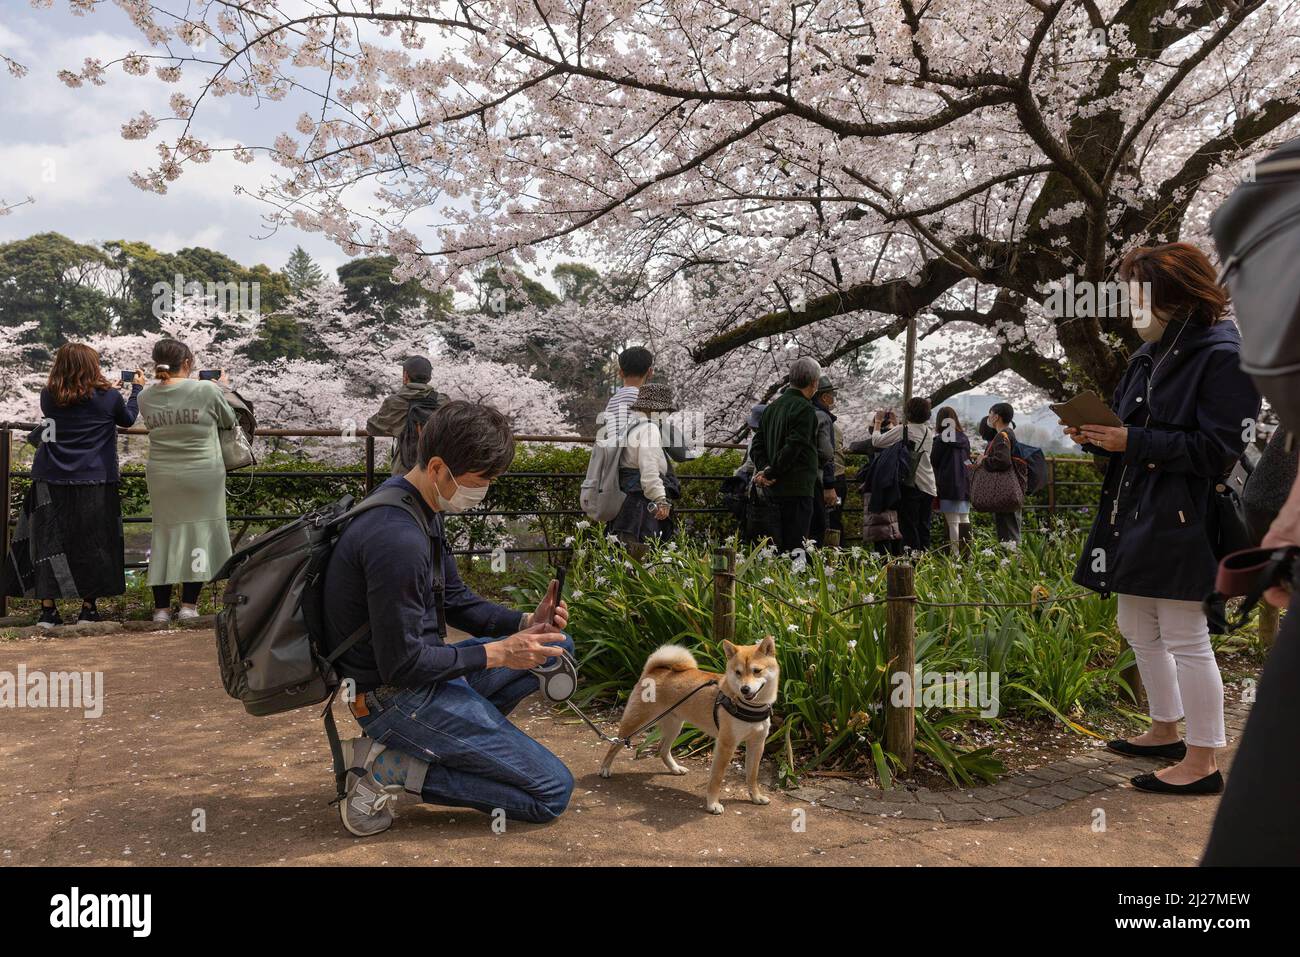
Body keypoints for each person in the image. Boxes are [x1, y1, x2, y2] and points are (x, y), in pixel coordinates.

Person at [322, 400, 575, 836]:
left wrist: (523, 623)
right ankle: (390, 769)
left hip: (423, 675)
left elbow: (454, 599)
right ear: (438, 466)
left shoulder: (416, 505)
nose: (484, 492)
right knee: (550, 792)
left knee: (553, 648)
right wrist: (498, 654)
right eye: (480, 482)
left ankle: (448, 743)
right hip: (393, 695)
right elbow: (402, 665)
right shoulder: (395, 538)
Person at [1065, 241, 1259, 796]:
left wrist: (1133, 440)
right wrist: (1099, 439)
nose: (1129, 310)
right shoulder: (1148, 355)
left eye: (1135, 297)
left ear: (1170, 297)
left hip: (1184, 517)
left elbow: (1218, 449)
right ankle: (1165, 729)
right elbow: (1133, 437)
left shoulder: (1224, 355)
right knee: (1137, 627)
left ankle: (1203, 761)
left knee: (1184, 635)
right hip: (1136, 510)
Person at [2, 344, 143, 626]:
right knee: (93, 542)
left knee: (48, 541)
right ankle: (88, 609)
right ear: (93, 366)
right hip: (94, 478)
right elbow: (126, 419)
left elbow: (71, 411)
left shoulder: (48, 395)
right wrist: (134, 390)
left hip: (50, 477)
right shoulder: (110, 397)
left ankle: (48, 611)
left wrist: (105, 390)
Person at [138, 339, 239, 624]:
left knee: (165, 534)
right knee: (199, 534)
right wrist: (224, 387)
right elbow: (229, 419)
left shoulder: (144, 397)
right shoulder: (206, 390)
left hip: (162, 475)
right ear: (187, 363)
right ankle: (188, 606)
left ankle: (160, 610)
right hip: (203, 473)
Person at [750, 357, 822, 553]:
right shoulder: (804, 408)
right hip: (797, 487)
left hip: (773, 490)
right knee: (797, 548)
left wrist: (765, 470)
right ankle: (797, 583)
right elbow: (794, 447)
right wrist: (771, 472)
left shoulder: (772, 408)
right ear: (814, 382)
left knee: (775, 548)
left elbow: (756, 444)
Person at [609, 383, 681, 547]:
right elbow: (649, 471)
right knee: (642, 557)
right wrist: (660, 499)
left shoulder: (631, 426)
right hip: (641, 503)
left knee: (624, 555)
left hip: (625, 499)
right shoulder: (650, 429)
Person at [868, 397, 936, 551]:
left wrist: (878, 422)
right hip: (929, 486)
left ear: (908, 413)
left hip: (911, 485)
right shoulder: (928, 431)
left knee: (909, 528)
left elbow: (877, 441)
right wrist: (898, 423)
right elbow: (910, 436)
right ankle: (926, 565)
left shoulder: (902, 430)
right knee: (923, 527)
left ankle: (912, 566)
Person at [366, 355, 442, 476]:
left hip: (405, 470)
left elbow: (372, 428)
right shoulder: (442, 401)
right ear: (429, 377)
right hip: (435, 470)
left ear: (405, 376)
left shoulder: (395, 402)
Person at [810, 376, 846, 547]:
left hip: (810, 479)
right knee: (828, 523)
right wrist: (829, 484)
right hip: (826, 479)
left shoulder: (807, 413)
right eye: (832, 395)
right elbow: (826, 453)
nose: (834, 398)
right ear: (824, 397)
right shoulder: (823, 418)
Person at [978, 402, 1021, 544]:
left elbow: (1003, 461)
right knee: (1009, 529)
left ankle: (1014, 564)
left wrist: (984, 460)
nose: (988, 418)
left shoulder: (1002, 435)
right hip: (1011, 489)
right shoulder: (1008, 433)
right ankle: (1012, 563)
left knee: (1008, 532)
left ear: (996, 417)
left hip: (1005, 490)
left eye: (990, 414)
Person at [931, 405, 972, 549]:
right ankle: (967, 556)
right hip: (964, 483)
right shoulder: (964, 439)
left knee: (953, 523)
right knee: (964, 520)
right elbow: (967, 458)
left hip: (947, 483)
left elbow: (934, 461)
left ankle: (956, 558)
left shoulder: (940, 440)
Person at [598, 345, 653, 441]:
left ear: (621, 373)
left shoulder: (612, 401)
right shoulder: (644, 399)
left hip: (615, 454)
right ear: (649, 372)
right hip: (636, 453)